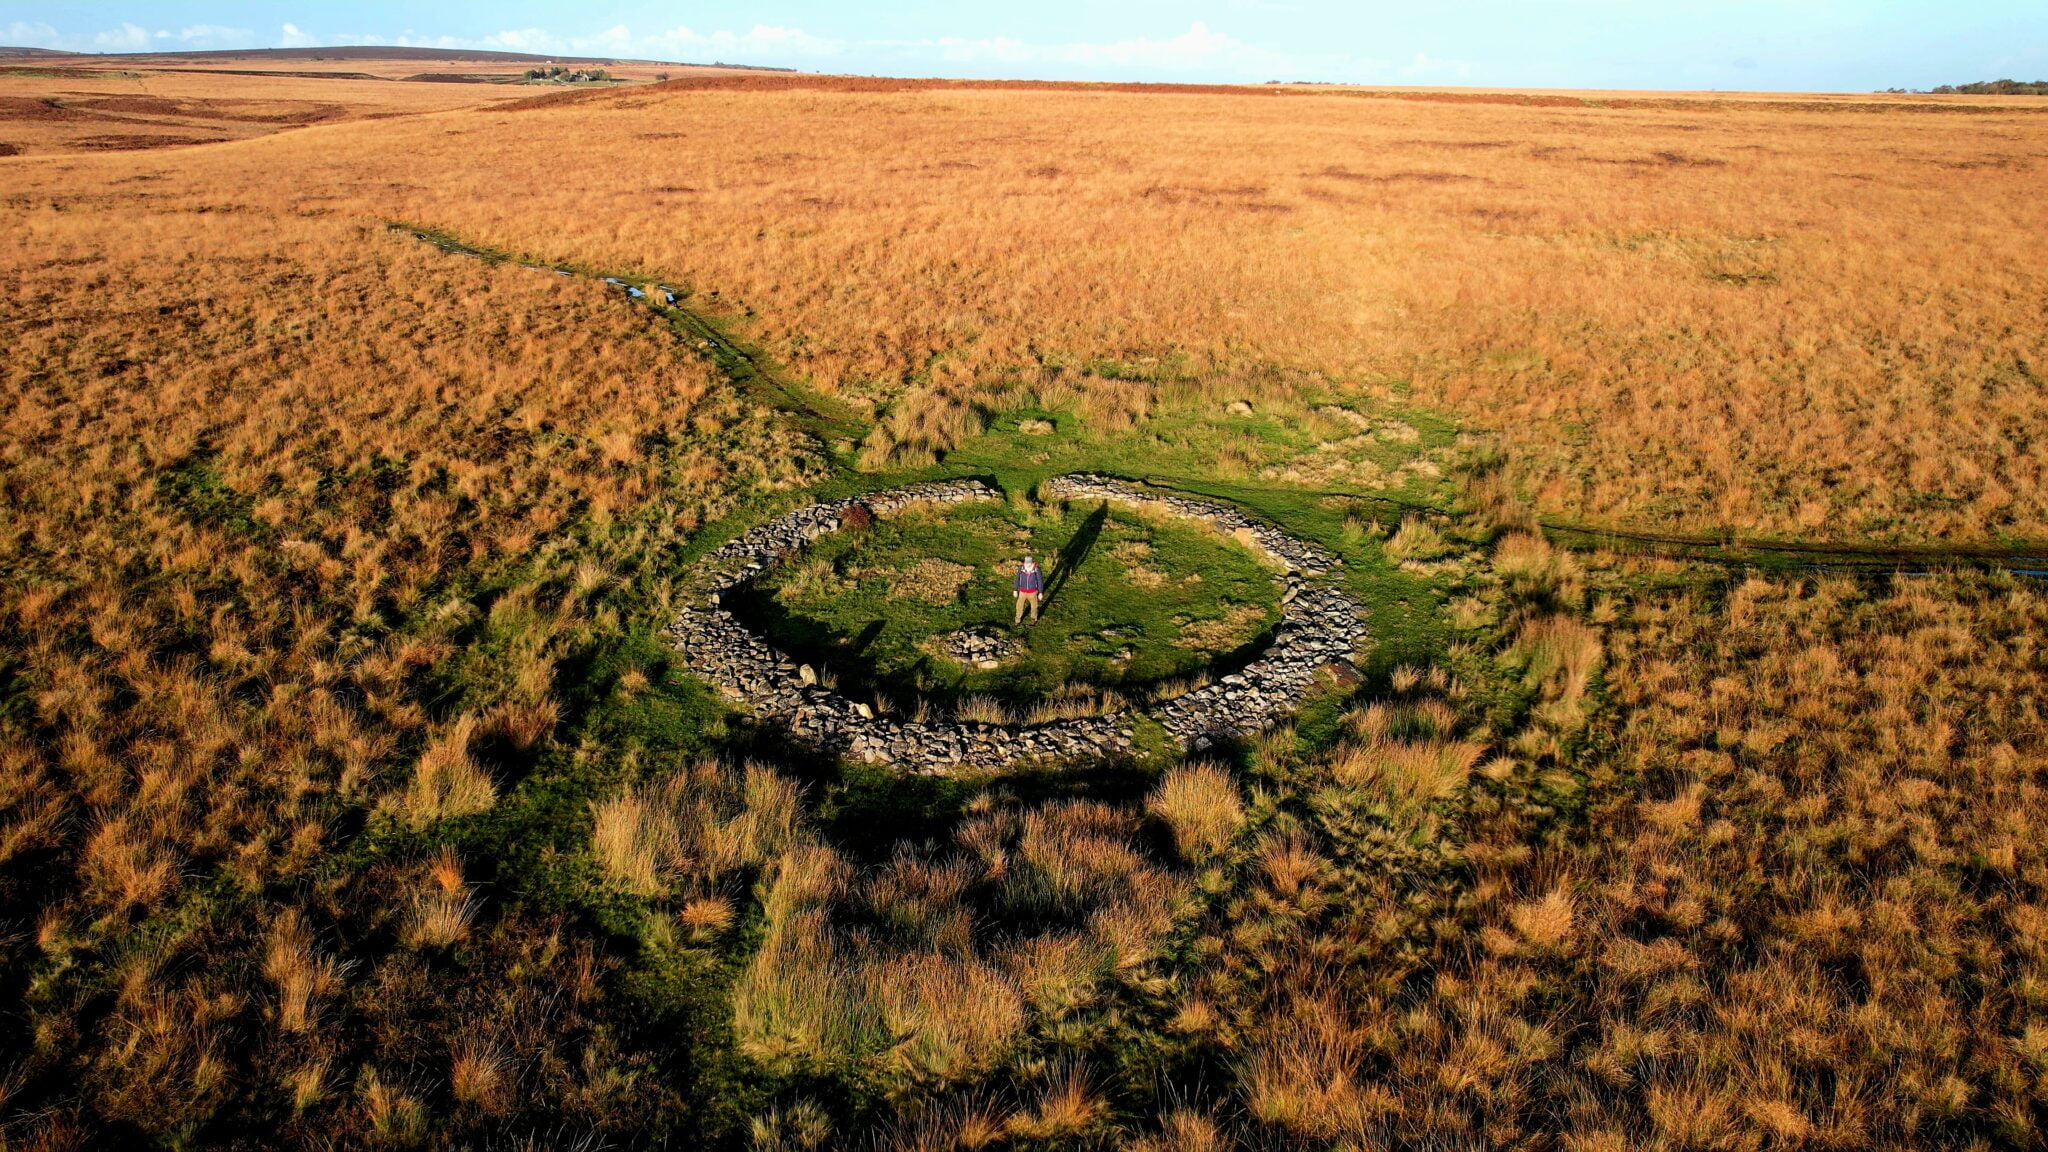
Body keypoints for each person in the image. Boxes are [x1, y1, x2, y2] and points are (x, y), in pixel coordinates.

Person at [1013, 553, 1044, 624]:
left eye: (1029, 563)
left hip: (1033, 593)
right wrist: (1015, 589)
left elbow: (1040, 581)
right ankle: (1017, 620)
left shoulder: (1036, 569)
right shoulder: (1021, 568)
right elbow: (1017, 579)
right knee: (1019, 606)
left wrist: (1040, 592)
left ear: (1032, 562)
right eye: (1026, 563)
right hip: (1022, 592)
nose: (1027, 565)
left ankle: (1033, 618)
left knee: (1034, 606)